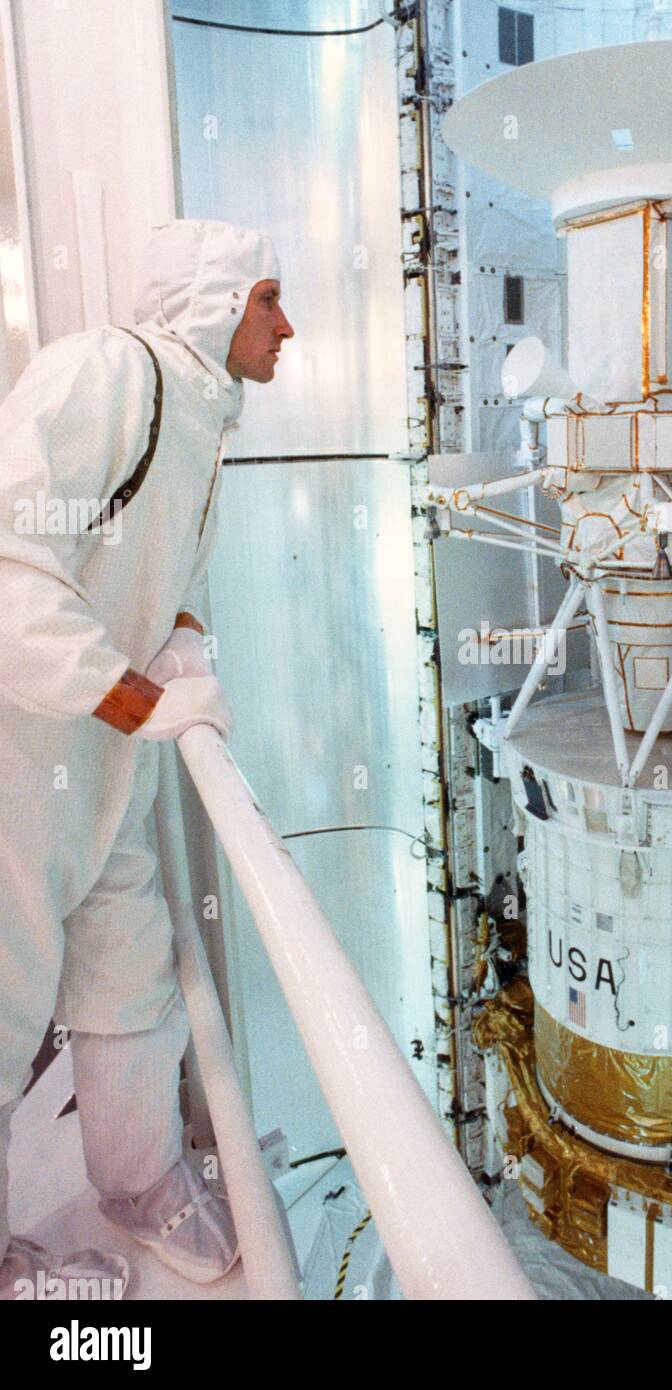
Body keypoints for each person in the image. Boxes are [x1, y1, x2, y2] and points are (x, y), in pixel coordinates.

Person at [0, 218, 294, 1298]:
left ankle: (137, 1184)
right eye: (270, 298)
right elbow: (7, 561)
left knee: (129, 974)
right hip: (20, 761)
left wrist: (181, 649)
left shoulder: (201, 422)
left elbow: (161, 578)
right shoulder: (107, 372)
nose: (287, 324)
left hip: (103, 768)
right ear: (218, 304)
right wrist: (133, 699)